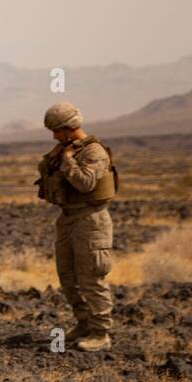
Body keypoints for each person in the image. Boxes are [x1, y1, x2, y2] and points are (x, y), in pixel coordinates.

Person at [35, 102, 117, 352]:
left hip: (91, 221)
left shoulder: (94, 152)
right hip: (68, 218)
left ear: (70, 128)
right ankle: (84, 324)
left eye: (57, 131)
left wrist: (69, 161)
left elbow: (85, 184)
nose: (54, 136)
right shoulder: (63, 149)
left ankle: (101, 333)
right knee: (68, 277)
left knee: (91, 277)